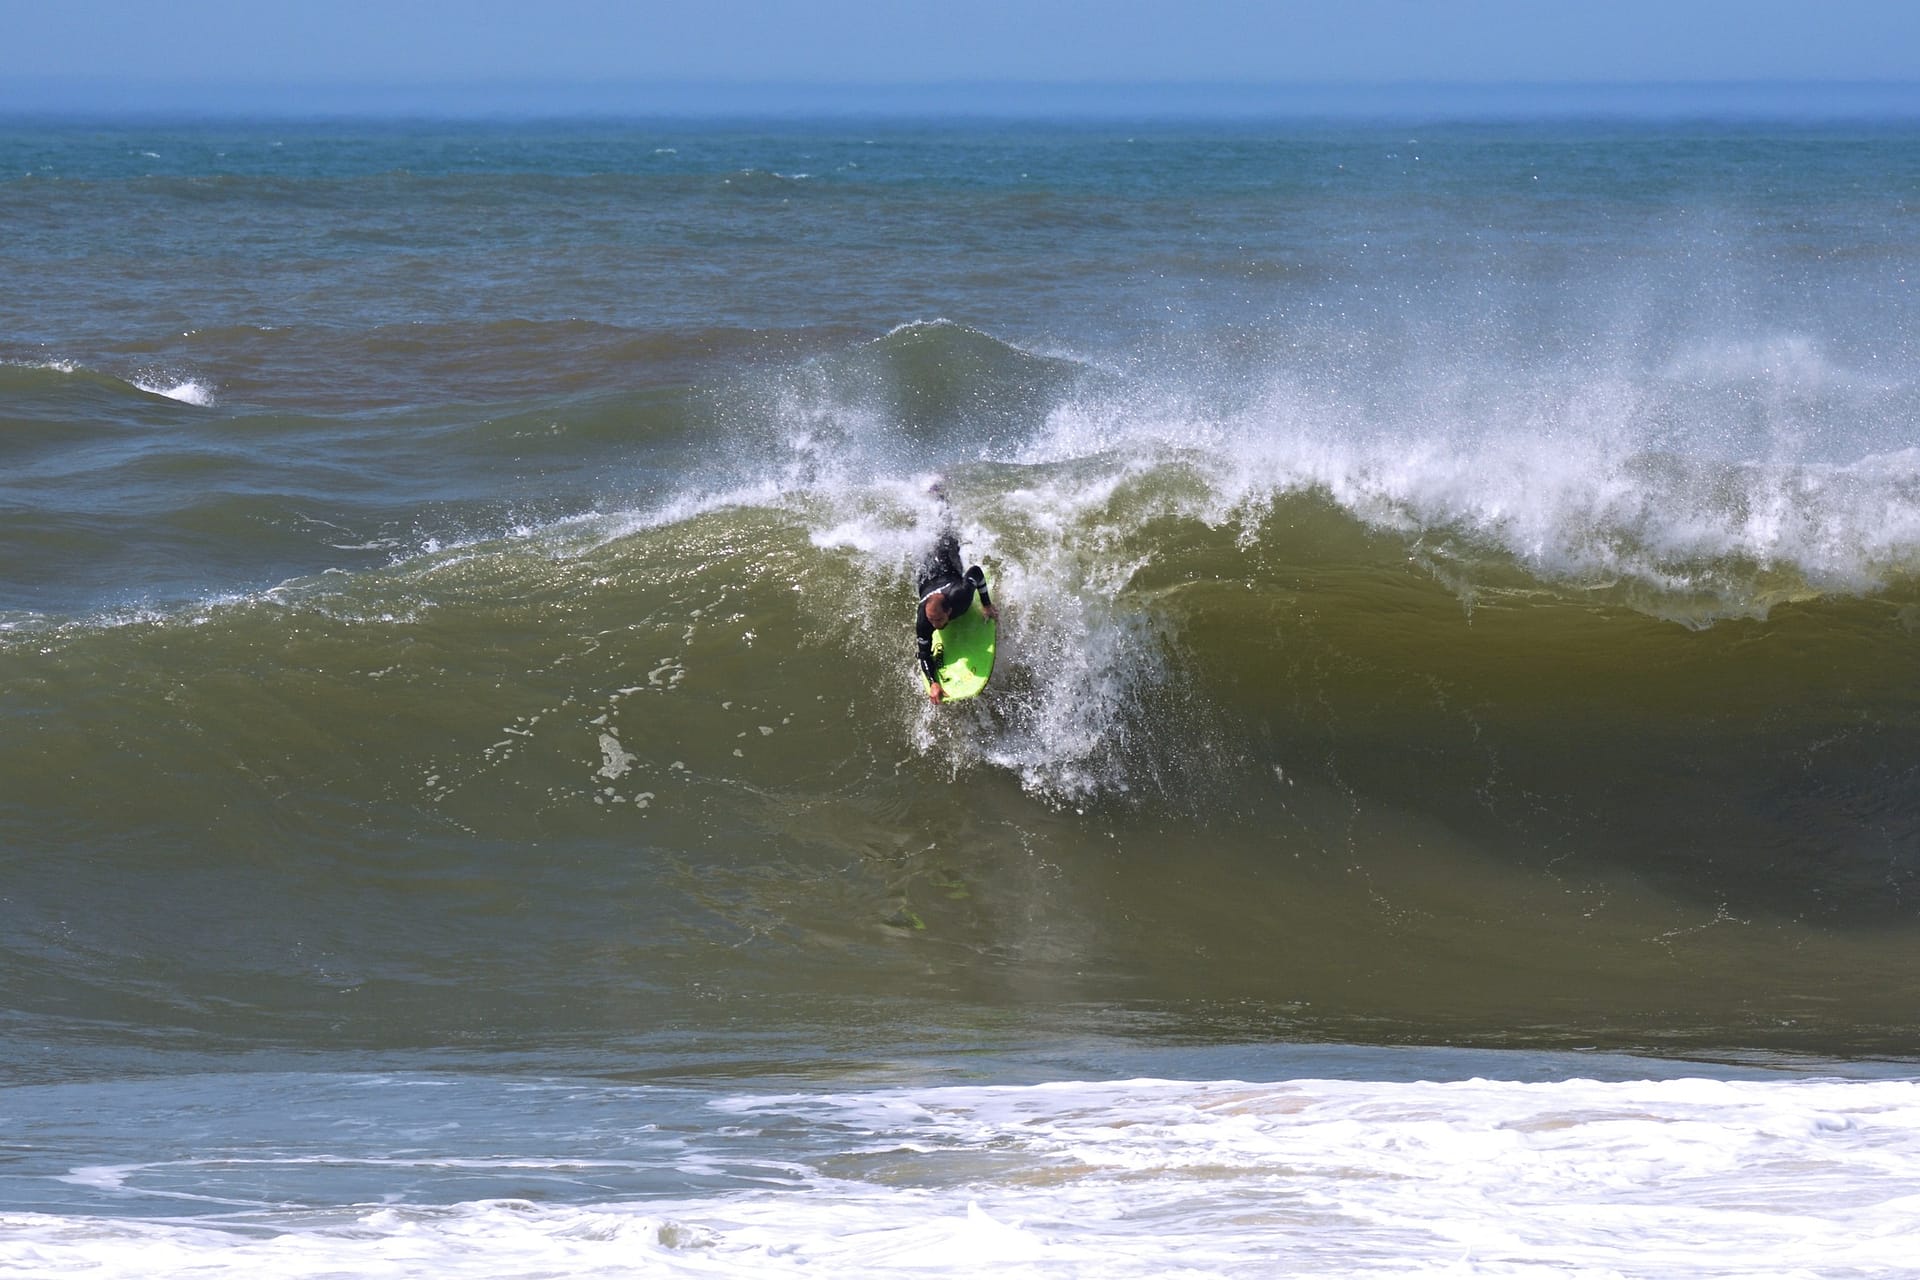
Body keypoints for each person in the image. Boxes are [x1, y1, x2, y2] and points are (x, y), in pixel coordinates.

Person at [915, 515, 998, 705]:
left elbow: (976, 572)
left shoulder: (961, 596)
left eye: (937, 620)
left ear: (949, 611)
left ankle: (940, 500)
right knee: (925, 552)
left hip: (948, 565)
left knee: (946, 535)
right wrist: (933, 682)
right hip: (927, 578)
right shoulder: (924, 621)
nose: (933, 625)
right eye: (931, 620)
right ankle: (926, 510)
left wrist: (986, 604)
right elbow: (924, 654)